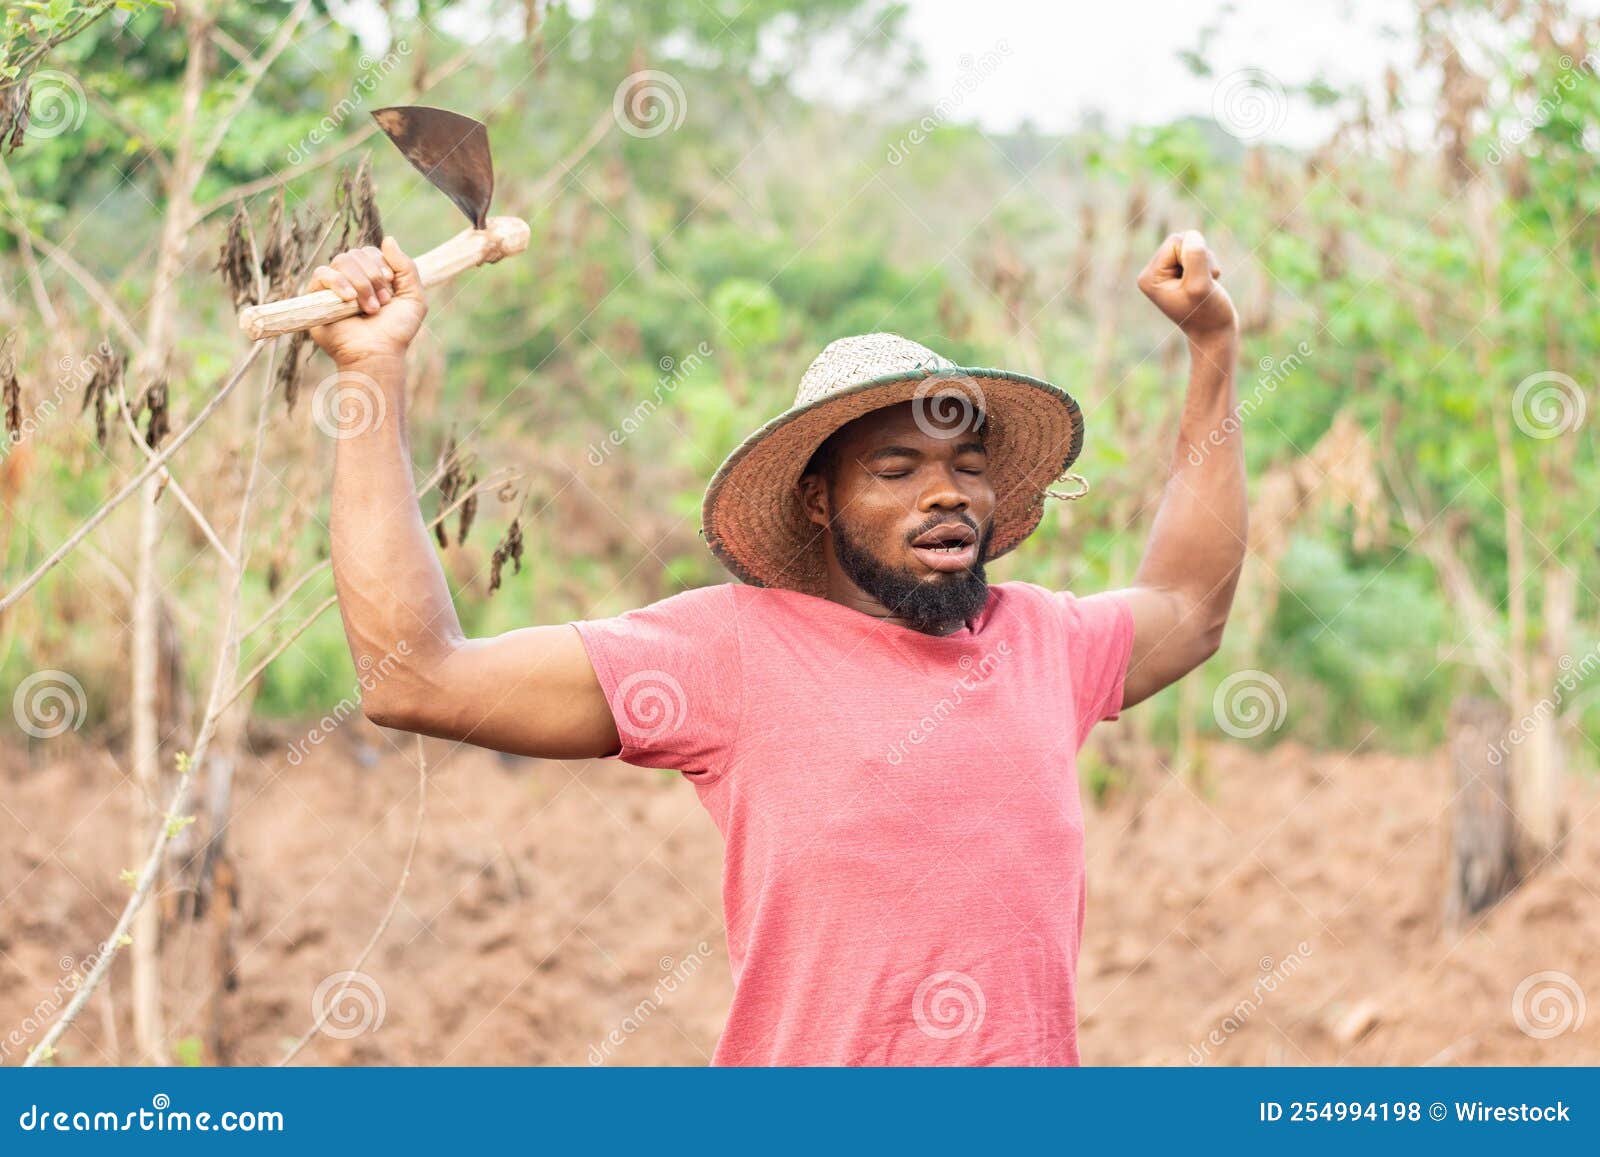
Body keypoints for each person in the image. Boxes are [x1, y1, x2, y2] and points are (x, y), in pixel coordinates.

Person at [305, 227, 1244, 1065]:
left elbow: (1189, 603)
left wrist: (1212, 348)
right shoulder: (731, 650)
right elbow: (418, 678)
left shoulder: (1043, 641)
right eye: (897, 468)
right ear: (817, 500)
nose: (948, 491)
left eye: (967, 466)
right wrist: (371, 373)